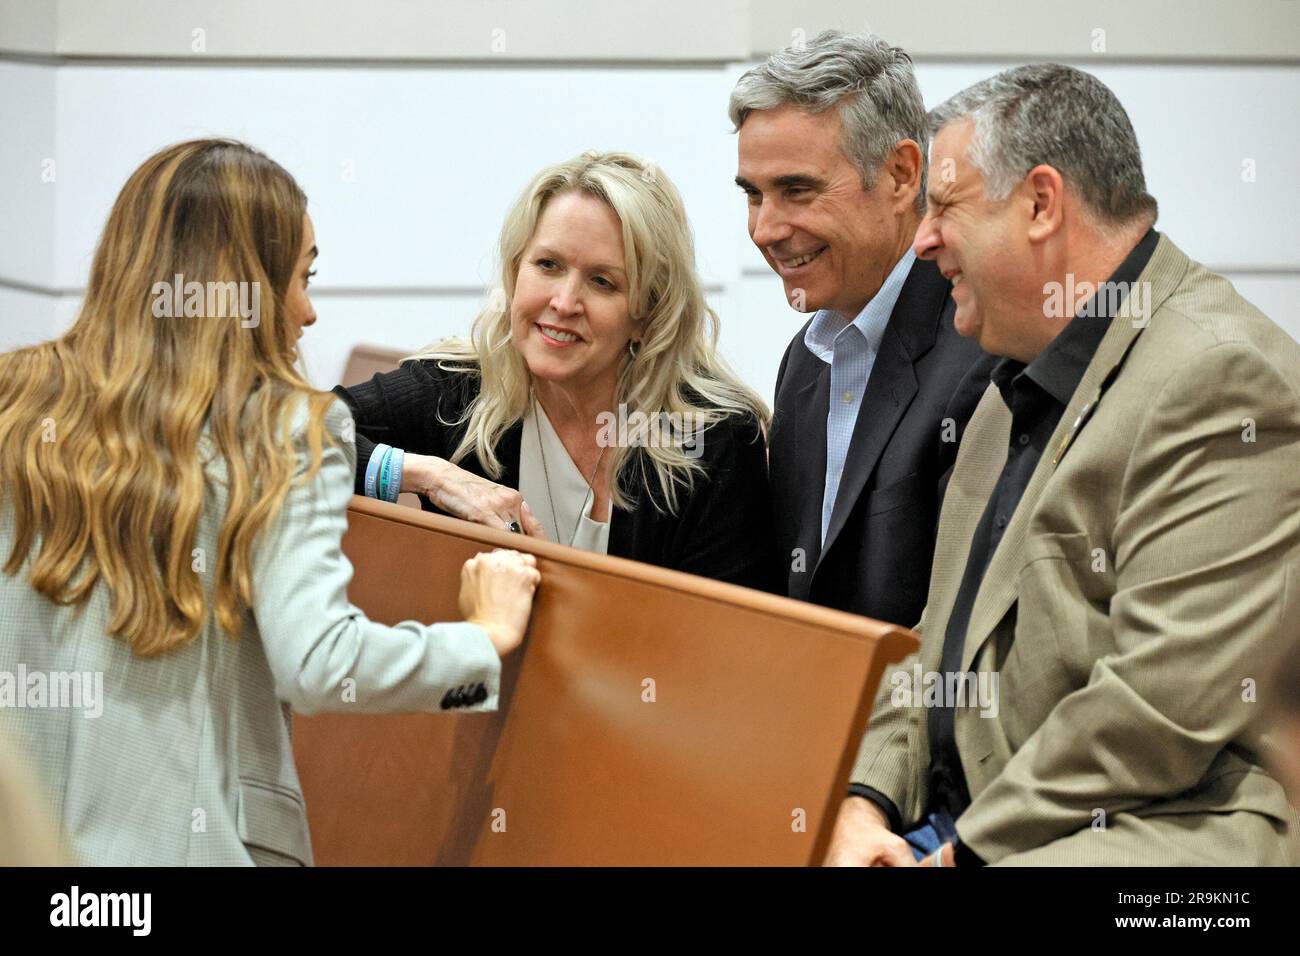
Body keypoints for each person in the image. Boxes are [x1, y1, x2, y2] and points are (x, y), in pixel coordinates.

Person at [0, 139, 541, 866]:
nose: (309, 311)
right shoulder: (286, 427)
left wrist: (402, 471)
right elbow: (320, 664)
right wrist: (479, 641)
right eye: (300, 276)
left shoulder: (17, 397)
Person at [828, 65, 1300, 866]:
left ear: (1041, 204)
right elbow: (935, 640)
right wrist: (862, 802)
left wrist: (960, 852)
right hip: (969, 825)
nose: (921, 240)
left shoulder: (1223, 379)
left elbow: (1158, 711)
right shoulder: (1011, 375)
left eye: (943, 207)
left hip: (1157, 835)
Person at [334, 151, 776, 590]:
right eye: (548, 265)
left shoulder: (712, 440)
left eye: (602, 281)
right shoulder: (457, 393)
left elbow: (726, 643)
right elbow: (280, 435)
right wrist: (428, 476)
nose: (564, 303)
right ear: (514, 272)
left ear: (648, 312)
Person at [729, 31, 995, 626]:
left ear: (902, 174)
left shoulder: (990, 347)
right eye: (753, 195)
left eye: (797, 190)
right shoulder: (805, 360)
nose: (765, 229)